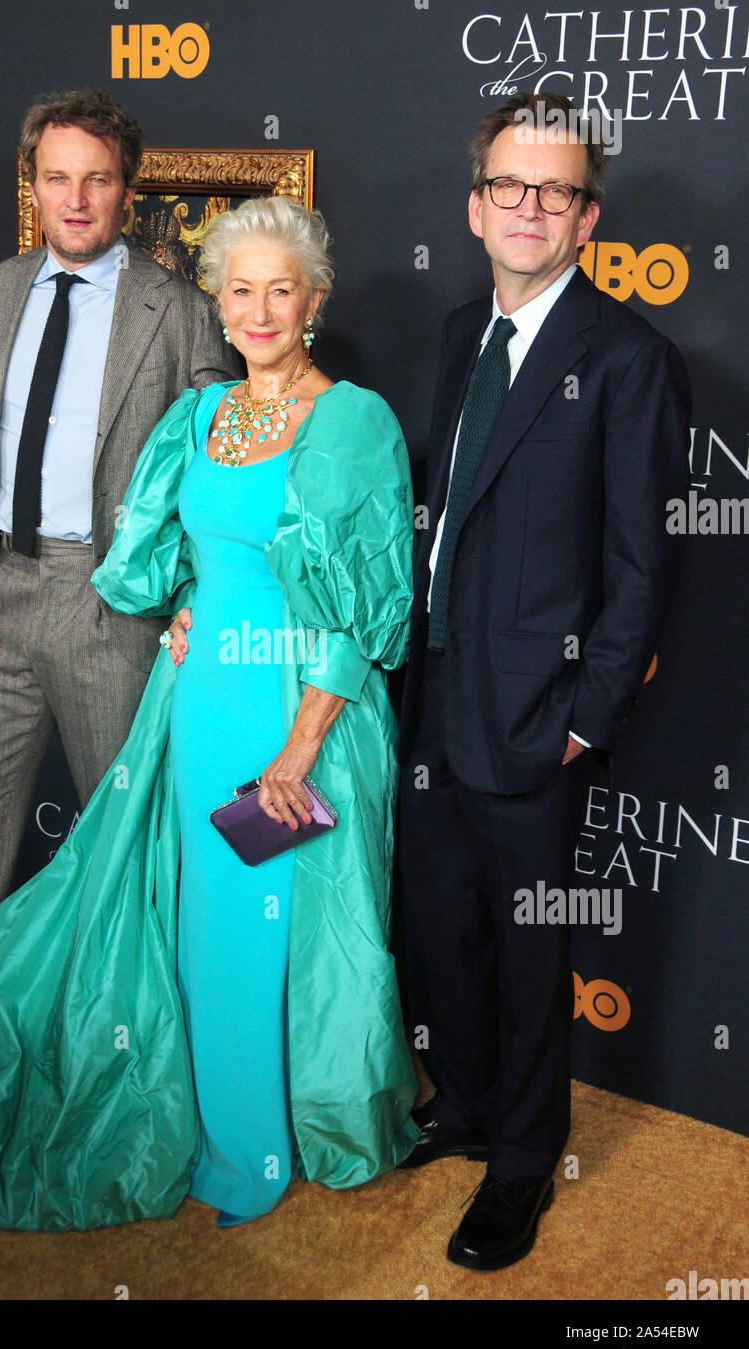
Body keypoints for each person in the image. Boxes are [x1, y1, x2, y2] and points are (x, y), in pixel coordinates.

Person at [0, 197, 417, 1231]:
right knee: (201, 911)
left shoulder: (354, 420)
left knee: (282, 923)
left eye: (281, 289)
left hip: (301, 708)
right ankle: (203, 1102)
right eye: (240, 289)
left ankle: (272, 1126)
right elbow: (158, 558)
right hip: (197, 699)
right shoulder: (201, 415)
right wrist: (184, 608)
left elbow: (364, 604)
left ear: (314, 302)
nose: (259, 309)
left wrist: (300, 749)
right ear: (217, 303)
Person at [397, 93, 690, 1270]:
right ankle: (464, 1103)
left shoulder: (631, 358)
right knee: (437, 926)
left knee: (528, 950)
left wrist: (587, 718)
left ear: (588, 217)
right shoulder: (461, 328)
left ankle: (523, 1164)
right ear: (475, 206)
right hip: (430, 692)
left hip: (538, 716)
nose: (530, 208)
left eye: (555, 191)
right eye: (509, 187)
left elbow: (642, 567)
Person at [0, 87, 237, 952]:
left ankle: (121, 1042)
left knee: (124, 837)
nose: (74, 199)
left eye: (96, 181)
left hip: (107, 604)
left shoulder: (180, 312)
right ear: (32, 182)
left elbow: (208, 469)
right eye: (57, 178)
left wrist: (183, 589)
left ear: (127, 191)